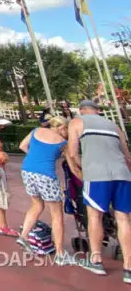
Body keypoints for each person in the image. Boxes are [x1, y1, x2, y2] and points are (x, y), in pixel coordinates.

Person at [68, 99, 131, 280]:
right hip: (121, 174)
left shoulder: (77, 122)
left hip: (96, 175)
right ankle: (128, 267)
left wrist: (82, 168)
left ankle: (96, 260)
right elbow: (126, 155)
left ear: (81, 110)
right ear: (98, 111)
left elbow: (72, 152)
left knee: (95, 215)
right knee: (124, 218)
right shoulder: (113, 125)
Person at [16, 115, 74, 264]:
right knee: (56, 214)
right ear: (61, 127)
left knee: (37, 205)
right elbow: (72, 160)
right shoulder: (62, 142)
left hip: (27, 170)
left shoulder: (36, 131)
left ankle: (23, 236)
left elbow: (22, 146)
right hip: (46, 174)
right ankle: (61, 254)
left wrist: (35, 157)